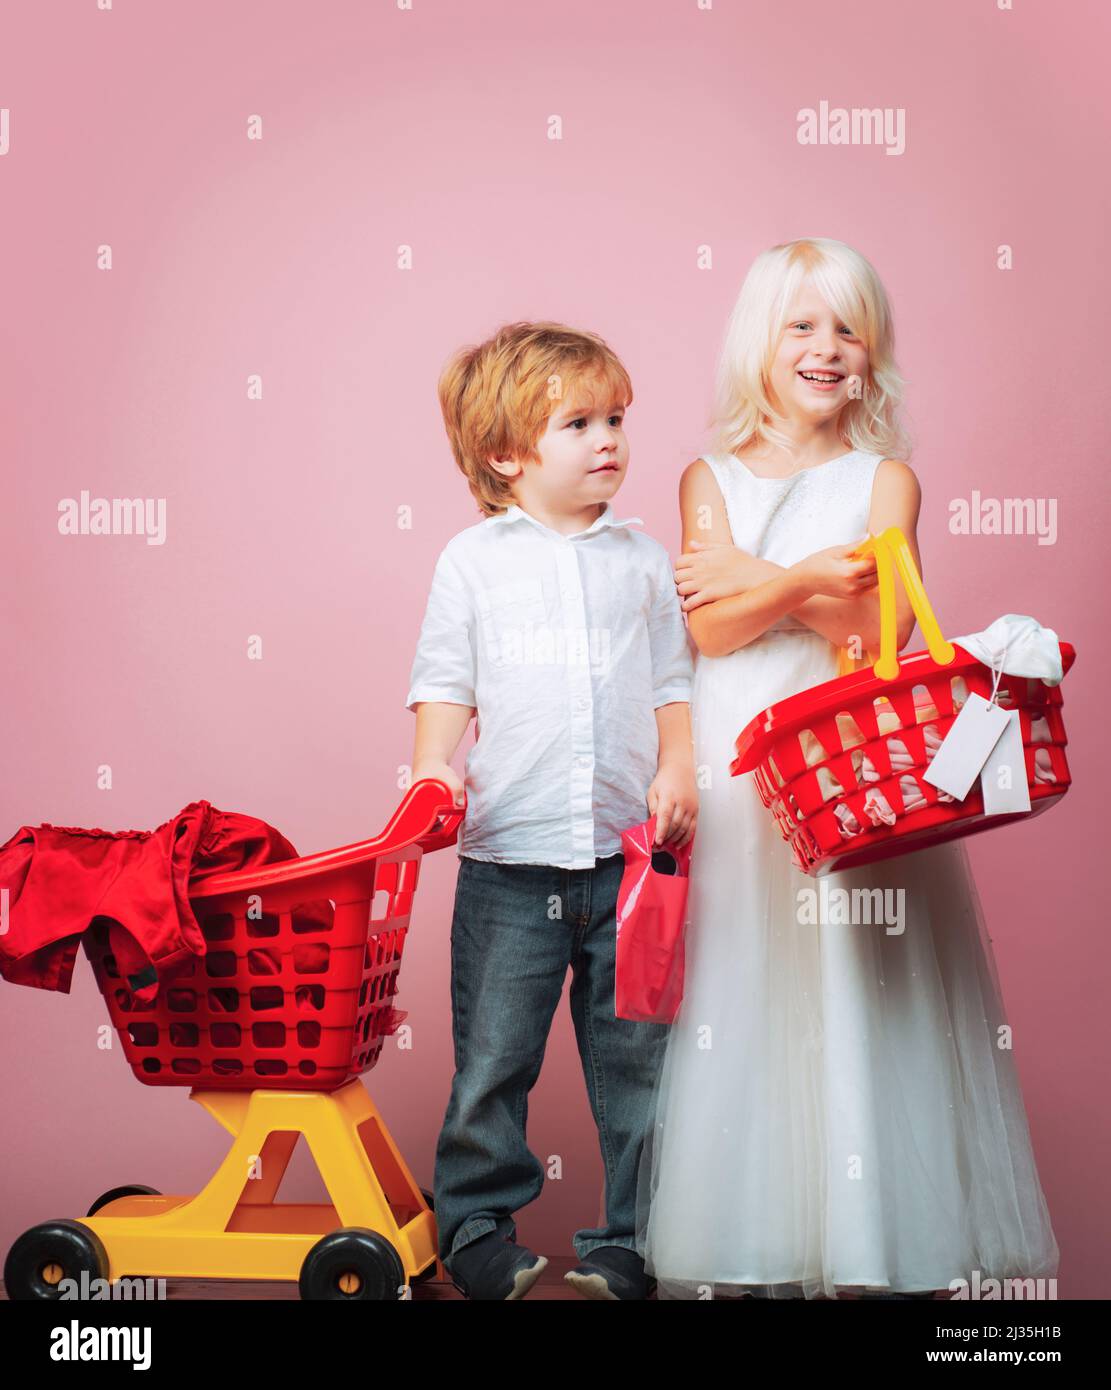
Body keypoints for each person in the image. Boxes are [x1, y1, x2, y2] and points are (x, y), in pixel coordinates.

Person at [636, 238, 1059, 1300]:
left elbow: (875, 622)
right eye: (802, 326)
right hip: (744, 766)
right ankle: (764, 1239)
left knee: (857, 987)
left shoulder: (886, 479)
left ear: (873, 349)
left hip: (851, 766)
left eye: (848, 327)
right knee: (744, 982)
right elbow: (713, 633)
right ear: (758, 345)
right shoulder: (706, 477)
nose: (827, 349)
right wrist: (789, 587)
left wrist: (756, 576)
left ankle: (870, 1242)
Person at [406, 321, 698, 1299]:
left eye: (615, 417)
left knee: (638, 1067)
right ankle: (478, 1231)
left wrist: (677, 770)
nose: (609, 437)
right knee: (493, 1059)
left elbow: (672, 683)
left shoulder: (642, 560)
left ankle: (632, 1242)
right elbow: (443, 679)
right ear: (506, 454)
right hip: (507, 863)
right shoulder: (473, 561)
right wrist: (432, 767)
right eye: (578, 422)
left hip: (627, 858)